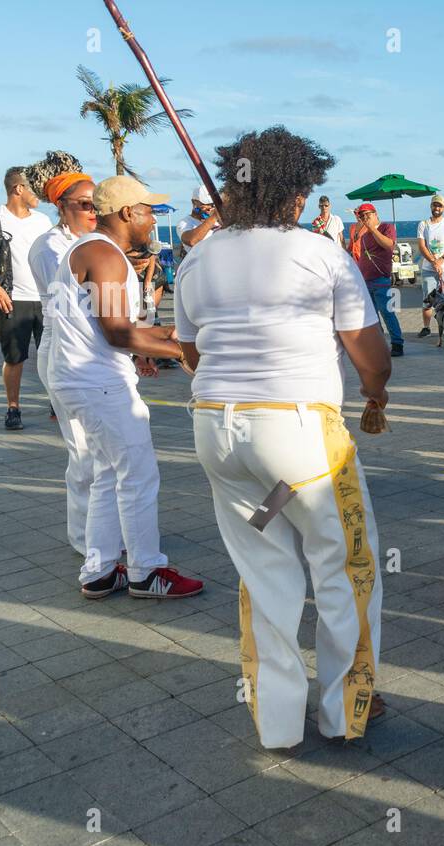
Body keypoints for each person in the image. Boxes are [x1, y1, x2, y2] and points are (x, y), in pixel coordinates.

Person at [175, 127, 390, 748]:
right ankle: (345, 707)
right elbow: (370, 355)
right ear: (295, 195)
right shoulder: (320, 253)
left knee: (263, 569)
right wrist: (376, 396)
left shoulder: (196, 257)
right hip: (299, 434)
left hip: (218, 430)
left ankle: (276, 722)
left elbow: (191, 351)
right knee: (344, 565)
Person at [47, 175, 205, 601]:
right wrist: (182, 353)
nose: (153, 219)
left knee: (106, 474)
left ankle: (98, 571)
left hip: (77, 379)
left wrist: (170, 336)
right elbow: (118, 334)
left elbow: (115, 326)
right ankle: (146, 570)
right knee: (138, 474)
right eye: (148, 210)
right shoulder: (105, 254)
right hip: (97, 382)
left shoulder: (88, 250)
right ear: (126, 213)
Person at [27, 161, 98, 554]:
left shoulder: (91, 243)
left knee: (102, 450)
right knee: (83, 449)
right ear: (62, 206)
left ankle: (104, 529)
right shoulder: (50, 246)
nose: (93, 211)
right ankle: (85, 540)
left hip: (92, 348)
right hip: (63, 348)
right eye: (85, 204)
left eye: (96, 204)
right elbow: (72, 304)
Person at [0, 167, 53, 431]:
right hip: (12, 299)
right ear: (19, 189)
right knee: (14, 358)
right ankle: (13, 408)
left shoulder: (42, 220)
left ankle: (57, 402)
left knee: (52, 354)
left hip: (46, 299)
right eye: (34, 187)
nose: (39, 192)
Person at [349, 202, 404, 357]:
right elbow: (357, 252)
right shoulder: (364, 236)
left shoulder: (386, 228)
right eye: (362, 216)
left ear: (375, 214)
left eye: (368, 214)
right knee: (372, 316)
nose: (365, 218)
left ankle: (397, 343)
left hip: (381, 279)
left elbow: (389, 246)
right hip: (366, 280)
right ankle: (379, 344)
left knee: (387, 312)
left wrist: (372, 228)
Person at [417, 194, 444, 337]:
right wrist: (433, 262)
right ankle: (426, 327)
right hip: (429, 269)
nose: (437, 208)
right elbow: (422, 246)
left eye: (440, 205)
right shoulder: (423, 224)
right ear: (431, 206)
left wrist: (442, 260)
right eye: (435, 205)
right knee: (427, 299)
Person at [178, 185, 221, 250]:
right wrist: (214, 216)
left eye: (212, 204)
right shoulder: (185, 222)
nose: (210, 207)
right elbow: (192, 241)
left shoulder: (217, 221)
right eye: (206, 204)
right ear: (194, 202)